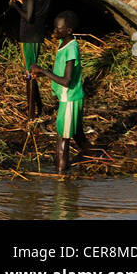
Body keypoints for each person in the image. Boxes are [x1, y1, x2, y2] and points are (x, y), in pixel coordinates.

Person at [31, 10, 91, 175]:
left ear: (68, 31)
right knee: (77, 132)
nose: (54, 31)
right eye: (54, 28)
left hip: (70, 98)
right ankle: (96, 154)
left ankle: (60, 177)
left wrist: (43, 71)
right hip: (72, 96)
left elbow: (66, 81)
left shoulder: (71, 49)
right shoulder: (64, 43)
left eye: (58, 29)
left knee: (63, 139)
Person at [10, 0, 53, 119]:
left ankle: (30, 115)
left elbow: (28, 17)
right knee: (33, 69)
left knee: (29, 74)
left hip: (27, 35)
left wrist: (15, 5)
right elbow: (37, 8)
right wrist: (25, 1)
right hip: (39, 33)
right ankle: (39, 108)